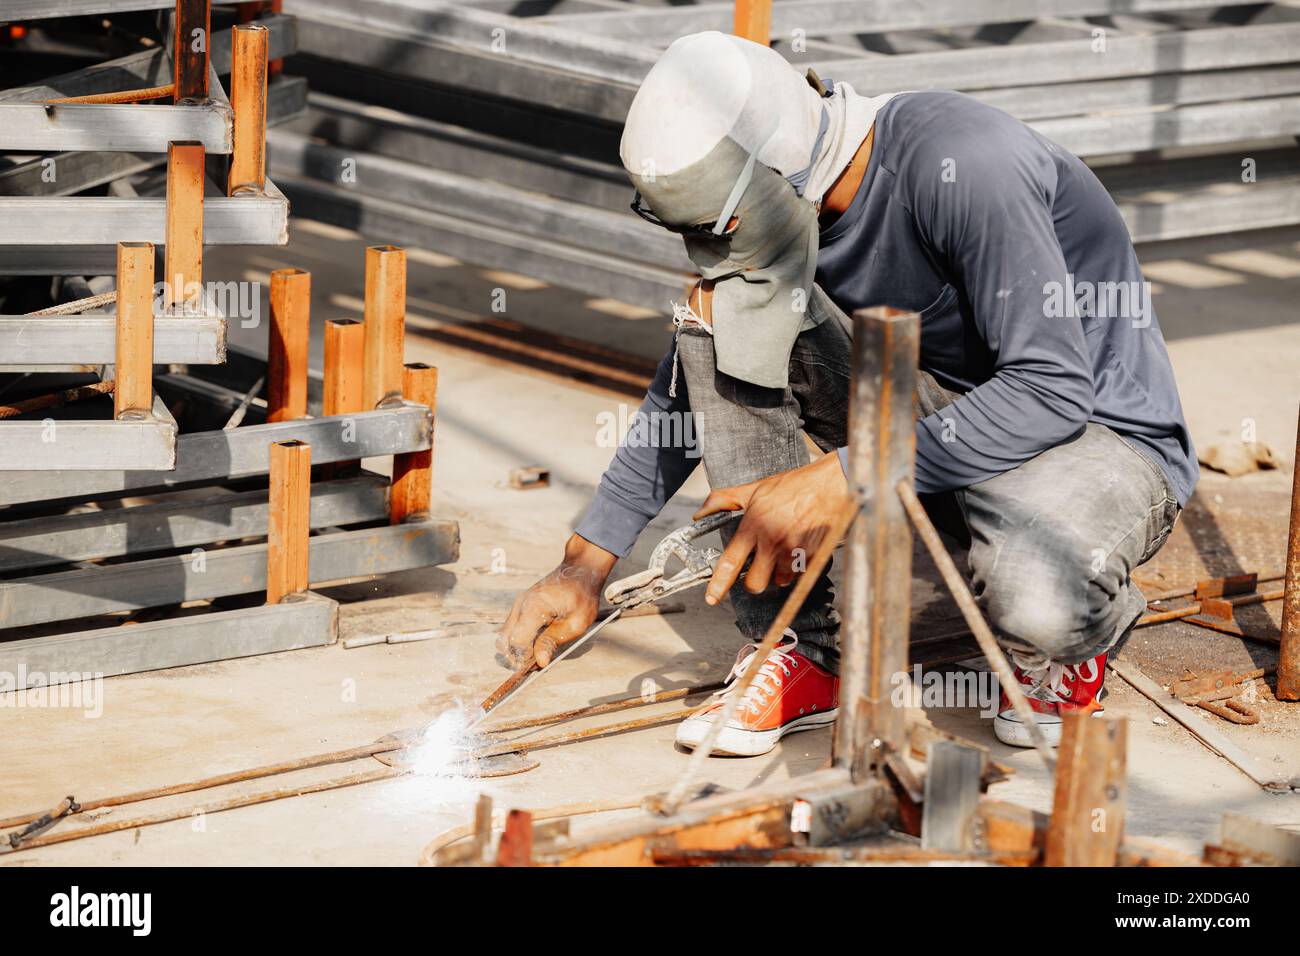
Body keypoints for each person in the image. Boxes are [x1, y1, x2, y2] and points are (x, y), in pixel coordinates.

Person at [498, 31, 1196, 755]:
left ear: (776, 168)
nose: (710, 248)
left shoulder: (966, 165)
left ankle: (1075, 636)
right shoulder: (790, 207)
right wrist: (586, 565)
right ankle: (805, 648)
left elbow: (1051, 388)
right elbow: (683, 387)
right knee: (718, 309)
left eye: (718, 226)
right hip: (943, 437)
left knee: (1038, 600)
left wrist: (844, 475)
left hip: (1089, 433)